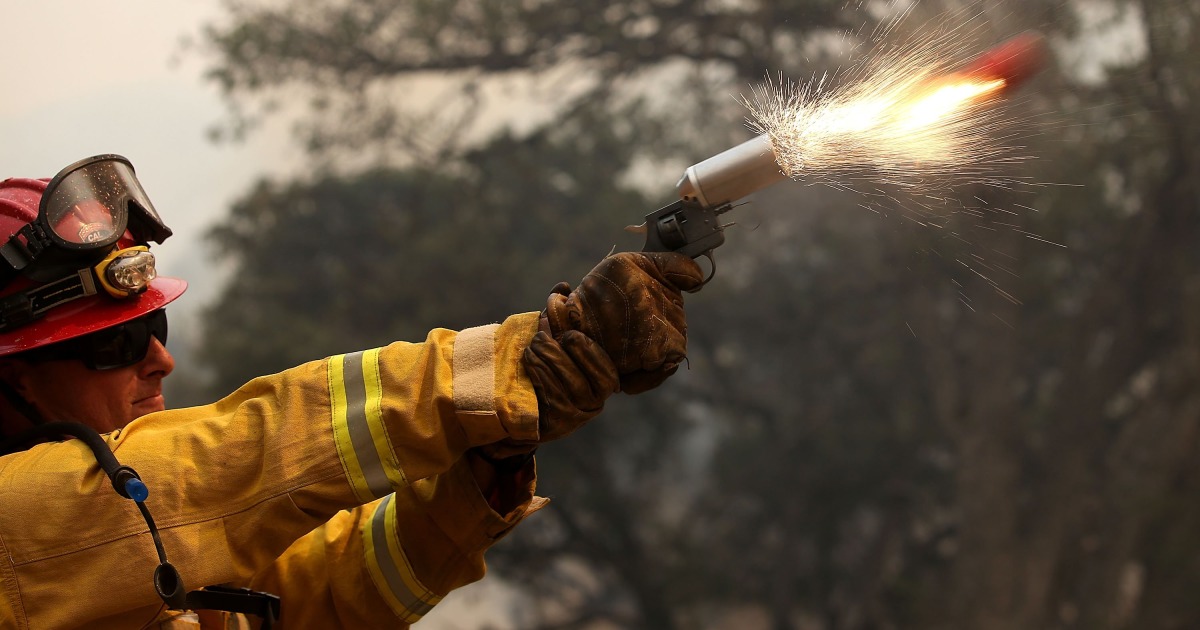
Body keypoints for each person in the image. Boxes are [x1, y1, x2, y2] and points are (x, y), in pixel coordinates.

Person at [0, 155, 704, 628]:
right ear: (12, 380)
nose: (160, 361)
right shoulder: (22, 520)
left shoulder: (119, 557)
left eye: (153, 325)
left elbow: (308, 595)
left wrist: (482, 474)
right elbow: (236, 458)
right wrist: (518, 371)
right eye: (112, 345)